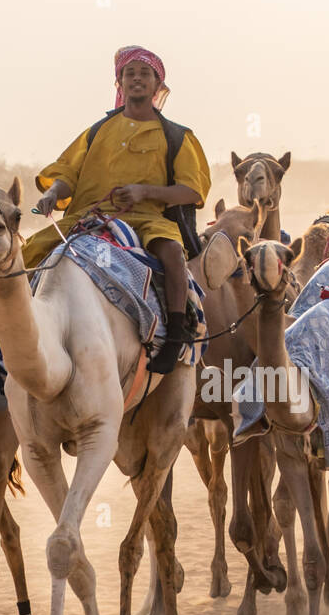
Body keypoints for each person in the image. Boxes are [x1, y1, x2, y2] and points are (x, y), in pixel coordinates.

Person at [23, 46, 211, 373]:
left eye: (144, 74)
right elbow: (68, 173)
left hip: (148, 220)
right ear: (120, 83)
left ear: (157, 85)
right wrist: (54, 192)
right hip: (88, 219)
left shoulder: (178, 136)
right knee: (32, 251)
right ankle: (13, 328)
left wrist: (144, 192)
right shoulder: (96, 132)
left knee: (172, 255)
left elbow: (191, 189)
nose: (136, 79)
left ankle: (176, 335)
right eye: (130, 73)